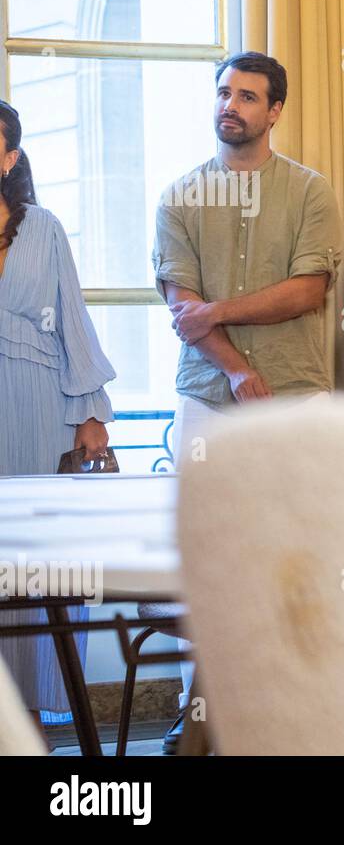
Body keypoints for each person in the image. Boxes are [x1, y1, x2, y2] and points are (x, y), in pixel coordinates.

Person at [153, 51, 342, 751]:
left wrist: (218, 312)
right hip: (207, 396)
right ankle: (194, 716)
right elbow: (183, 306)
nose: (230, 105)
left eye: (248, 96)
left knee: (298, 557)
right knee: (204, 556)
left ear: (275, 111)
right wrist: (233, 368)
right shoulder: (178, 196)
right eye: (224, 93)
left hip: (296, 395)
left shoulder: (310, 192)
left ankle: (296, 712)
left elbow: (307, 291)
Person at [0, 100, 115, 738]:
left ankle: (32, 732)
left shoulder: (44, 228)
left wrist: (91, 413)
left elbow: (73, 320)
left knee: (36, 567)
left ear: (10, 158)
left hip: (41, 410)